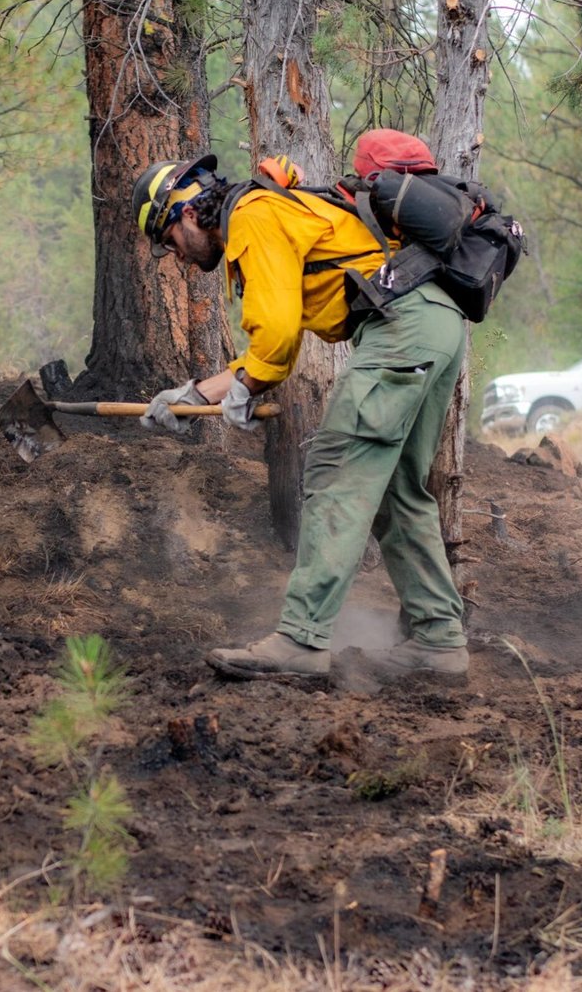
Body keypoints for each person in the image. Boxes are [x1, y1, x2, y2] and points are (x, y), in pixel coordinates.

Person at [130, 150, 469, 679]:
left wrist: (245, 385)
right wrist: (196, 394)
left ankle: (301, 640)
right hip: (433, 322)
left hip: (402, 331)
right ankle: (436, 639)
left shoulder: (251, 216)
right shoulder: (267, 210)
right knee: (399, 490)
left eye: (169, 241)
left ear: (187, 212)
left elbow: (278, 339)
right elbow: (269, 344)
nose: (176, 256)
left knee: (335, 474)